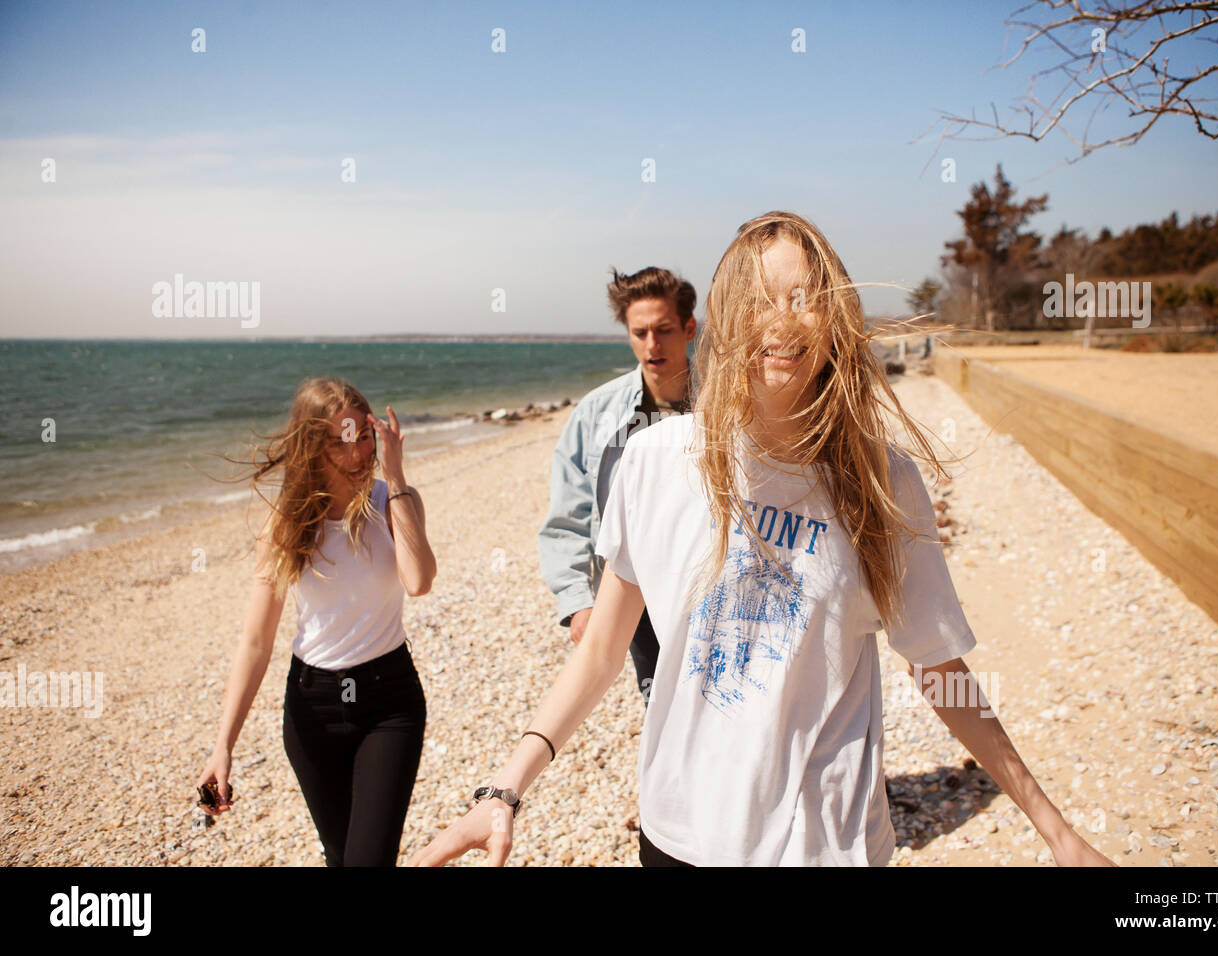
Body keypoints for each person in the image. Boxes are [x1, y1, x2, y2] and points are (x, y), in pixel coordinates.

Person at [412, 211, 1113, 867]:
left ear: (835, 318)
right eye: (756, 300)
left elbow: (937, 666)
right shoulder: (655, 462)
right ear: (722, 321)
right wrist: (506, 787)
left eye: (803, 297)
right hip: (676, 835)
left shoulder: (879, 479)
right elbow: (601, 652)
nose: (779, 320)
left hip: (823, 844)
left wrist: (1058, 834)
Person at [195, 377, 437, 866]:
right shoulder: (285, 524)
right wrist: (223, 746)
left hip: (389, 702)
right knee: (340, 855)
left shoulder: (395, 502)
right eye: (338, 443)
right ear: (311, 447)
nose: (356, 455)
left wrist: (397, 476)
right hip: (312, 707)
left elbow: (419, 581)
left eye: (363, 437)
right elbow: (256, 641)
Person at [538, 266, 697, 706]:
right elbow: (569, 514)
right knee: (663, 708)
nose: (652, 345)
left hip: (710, 582)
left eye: (664, 330)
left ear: (688, 329)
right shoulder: (596, 414)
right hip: (634, 591)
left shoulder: (726, 401)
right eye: (639, 332)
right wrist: (578, 602)